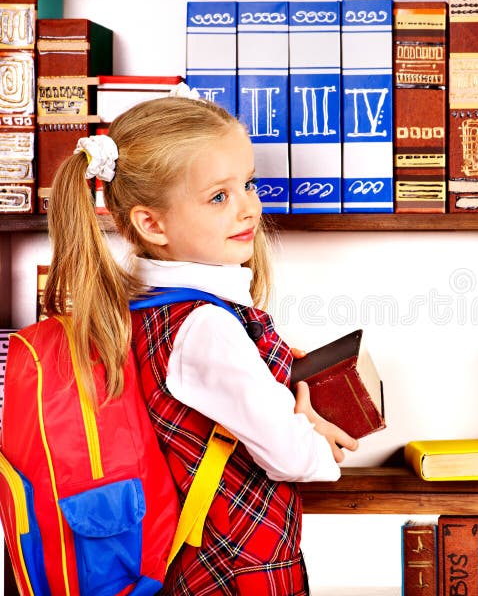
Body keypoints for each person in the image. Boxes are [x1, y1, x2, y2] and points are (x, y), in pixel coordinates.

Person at [43, 90, 359, 594]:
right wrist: (316, 437)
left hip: (198, 561)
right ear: (151, 223)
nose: (248, 208)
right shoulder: (206, 326)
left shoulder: (153, 307)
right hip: (239, 566)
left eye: (249, 185)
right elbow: (293, 458)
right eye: (219, 196)